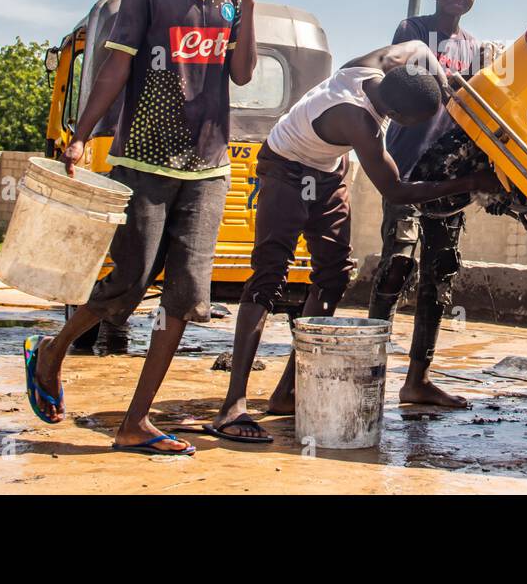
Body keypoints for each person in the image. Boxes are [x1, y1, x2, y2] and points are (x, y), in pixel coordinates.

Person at [22, 0, 257, 456]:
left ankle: (135, 421)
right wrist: (80, 136)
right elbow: (114, 68)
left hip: (207, 167)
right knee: (125, 286)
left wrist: (249, 3)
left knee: (185, 298)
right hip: (144, 158)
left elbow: (244, 73)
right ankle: (52, 352)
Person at [206, 40, 500, 443]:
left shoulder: (375, 65)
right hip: (285, 168)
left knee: (334, 275)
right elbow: (395, 190)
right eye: (411, 123)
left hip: (327, 170)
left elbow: (418, 47)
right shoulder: (358, 120)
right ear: (394, 115)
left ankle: (288, 391)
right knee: (269, 278)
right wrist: (471, 181)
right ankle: (233, 404)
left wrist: (447, 82)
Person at [366, 0, 490, 408]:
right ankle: (370, 372)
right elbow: (417, 76)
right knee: (397, 264)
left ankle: (417, 379)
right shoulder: (412, 28)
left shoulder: (476, 48)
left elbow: (475, 101)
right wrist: (459, 83)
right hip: (405, 165)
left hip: (449, 173)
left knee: (440, 274)